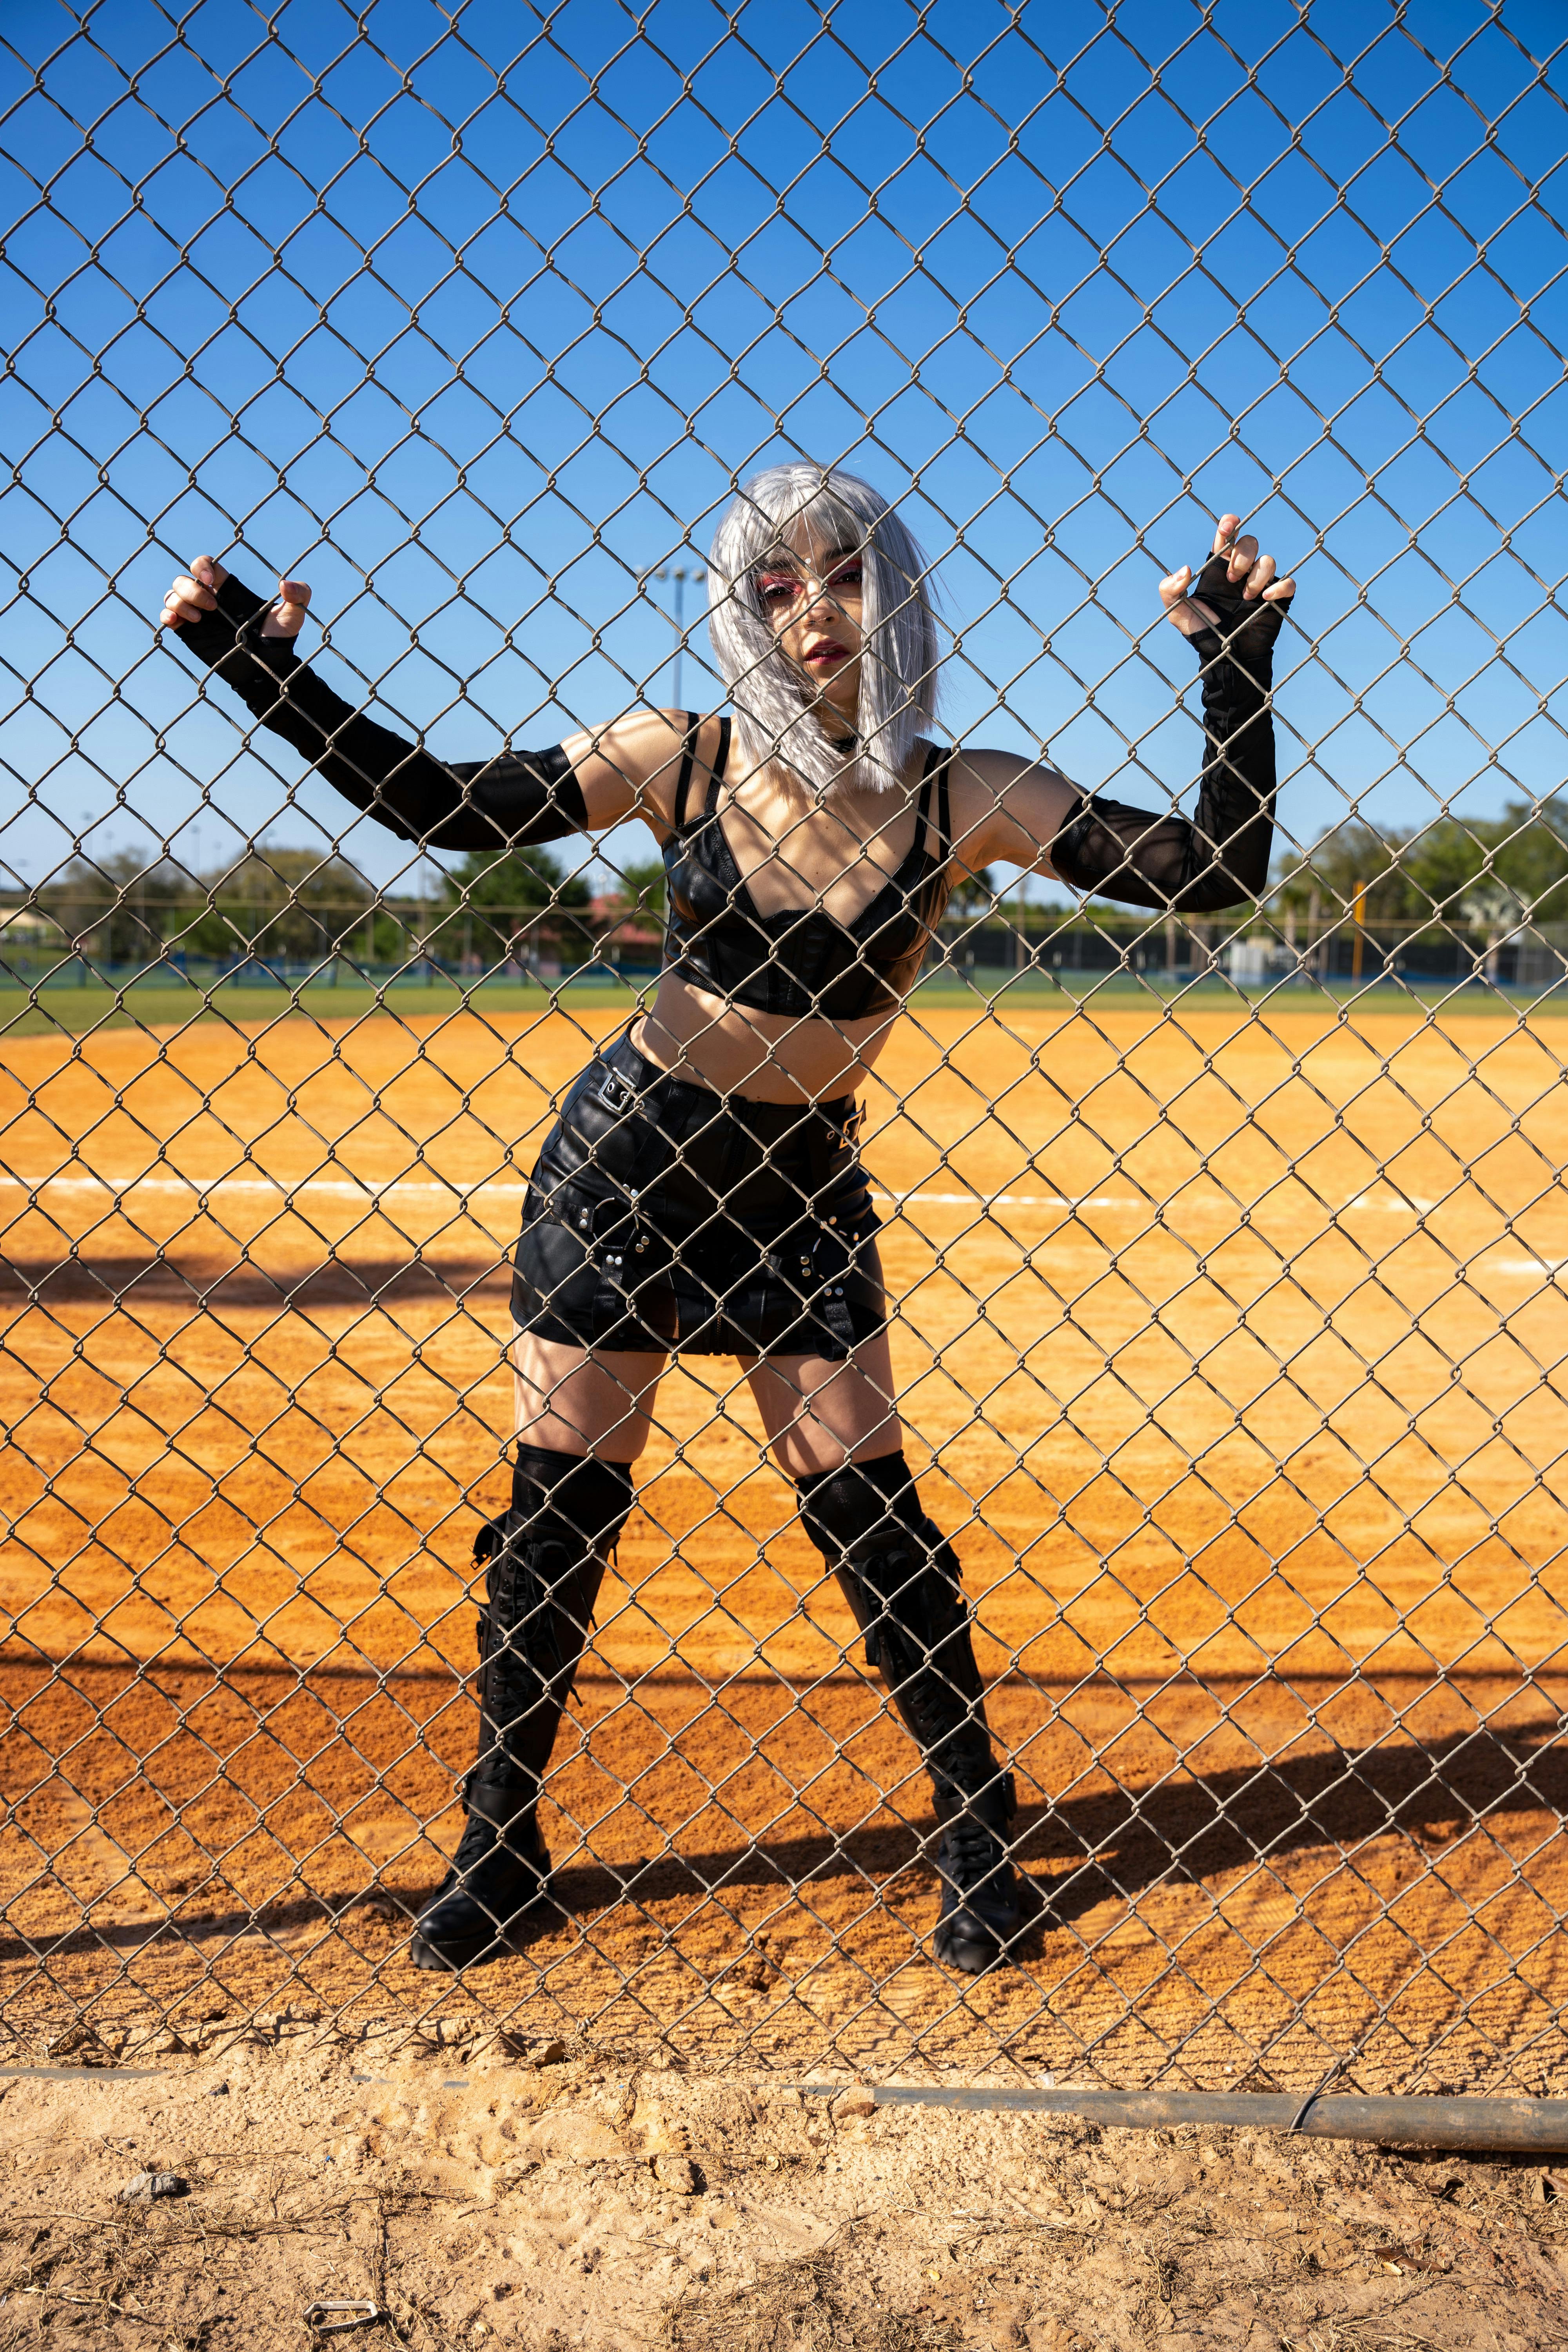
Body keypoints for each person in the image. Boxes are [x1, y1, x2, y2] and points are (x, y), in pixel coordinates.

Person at [159, 466, 1294, 1976]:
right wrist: (261, 665)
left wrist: (1232, 668)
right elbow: (434, 807)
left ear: (892, 590)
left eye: (842, 575)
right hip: (623, 1170)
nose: (813, 611)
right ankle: (501, 1841)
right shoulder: (682, 760)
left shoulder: (966, 793)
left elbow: (1210, 873)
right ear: (736, 610)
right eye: (774, 586)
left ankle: (977, 1831)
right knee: (560, 1511)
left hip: (799, 1190)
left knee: (870, 1514)